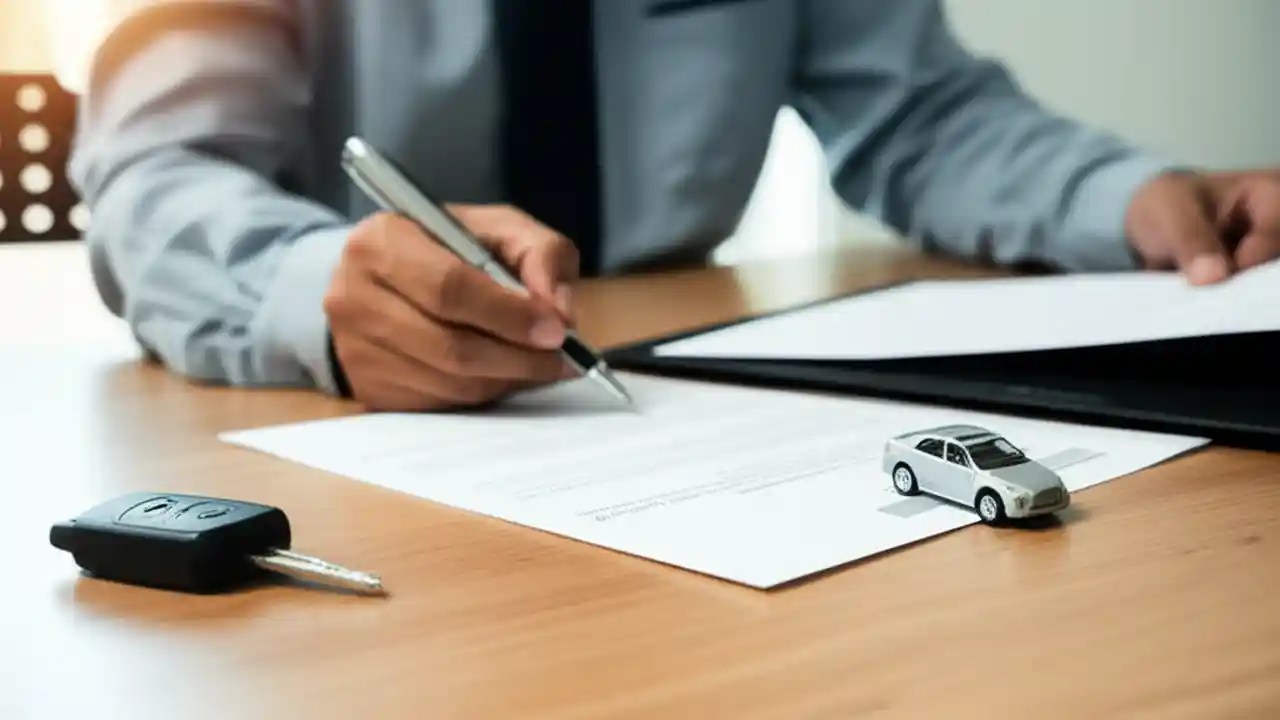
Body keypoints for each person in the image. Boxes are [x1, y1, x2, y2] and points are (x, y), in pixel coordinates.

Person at [70, 1, 1280, 411]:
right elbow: (153, 173)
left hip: (670, 373)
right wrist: (309, 294)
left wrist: (1122, 195)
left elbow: (917, 113)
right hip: (325, 417)